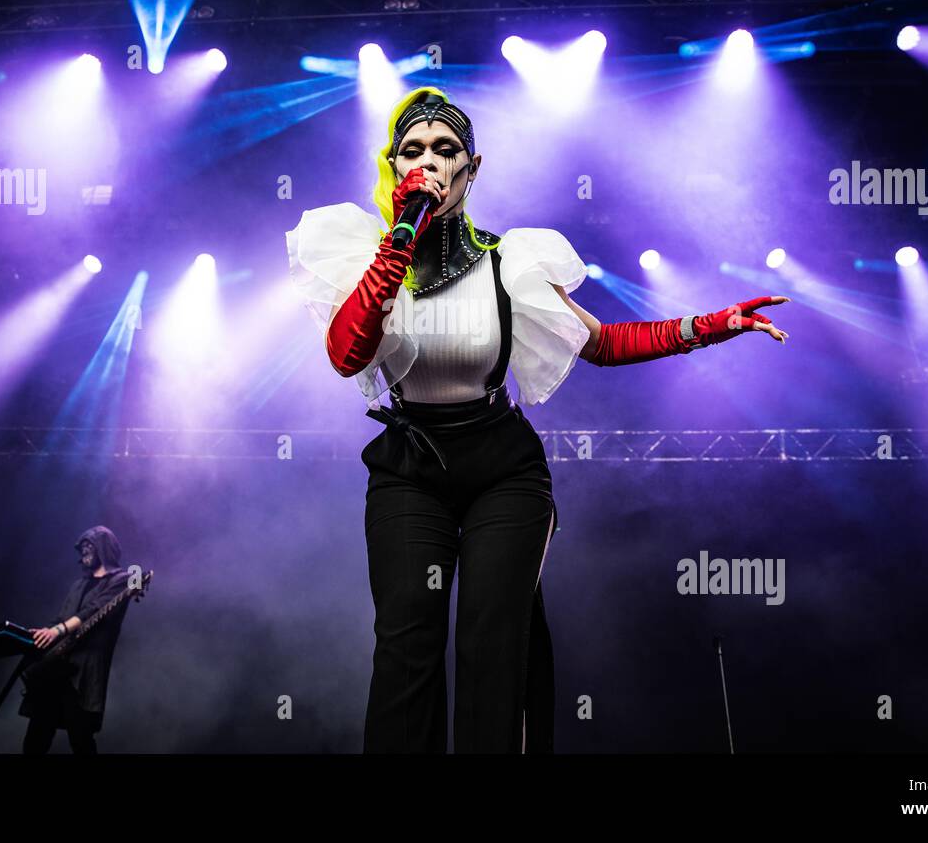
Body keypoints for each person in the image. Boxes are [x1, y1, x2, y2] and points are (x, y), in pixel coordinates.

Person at [285, 86, 789, 753]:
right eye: (413, 150)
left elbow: (604, 344)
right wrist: (402, 232)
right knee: (407, 643)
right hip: (411, 468)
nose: (429, 161)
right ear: (393, 163)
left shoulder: (509, 260)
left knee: (493, 642)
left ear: (473, 166)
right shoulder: (369, 254)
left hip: (502, 469)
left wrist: (710, 326)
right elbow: (347, 352)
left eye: (445, 150)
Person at [18, 525, 132, 754]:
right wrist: (44, 632)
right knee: (36, 736)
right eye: (82, 548)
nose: (84, 552)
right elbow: (62, 618)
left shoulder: (121, 579)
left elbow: (93, 610)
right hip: (56, 667)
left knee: (80, 738)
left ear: (103, 548)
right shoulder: (78, 584)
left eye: (89, 546)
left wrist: (57, 630)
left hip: (83, 670)